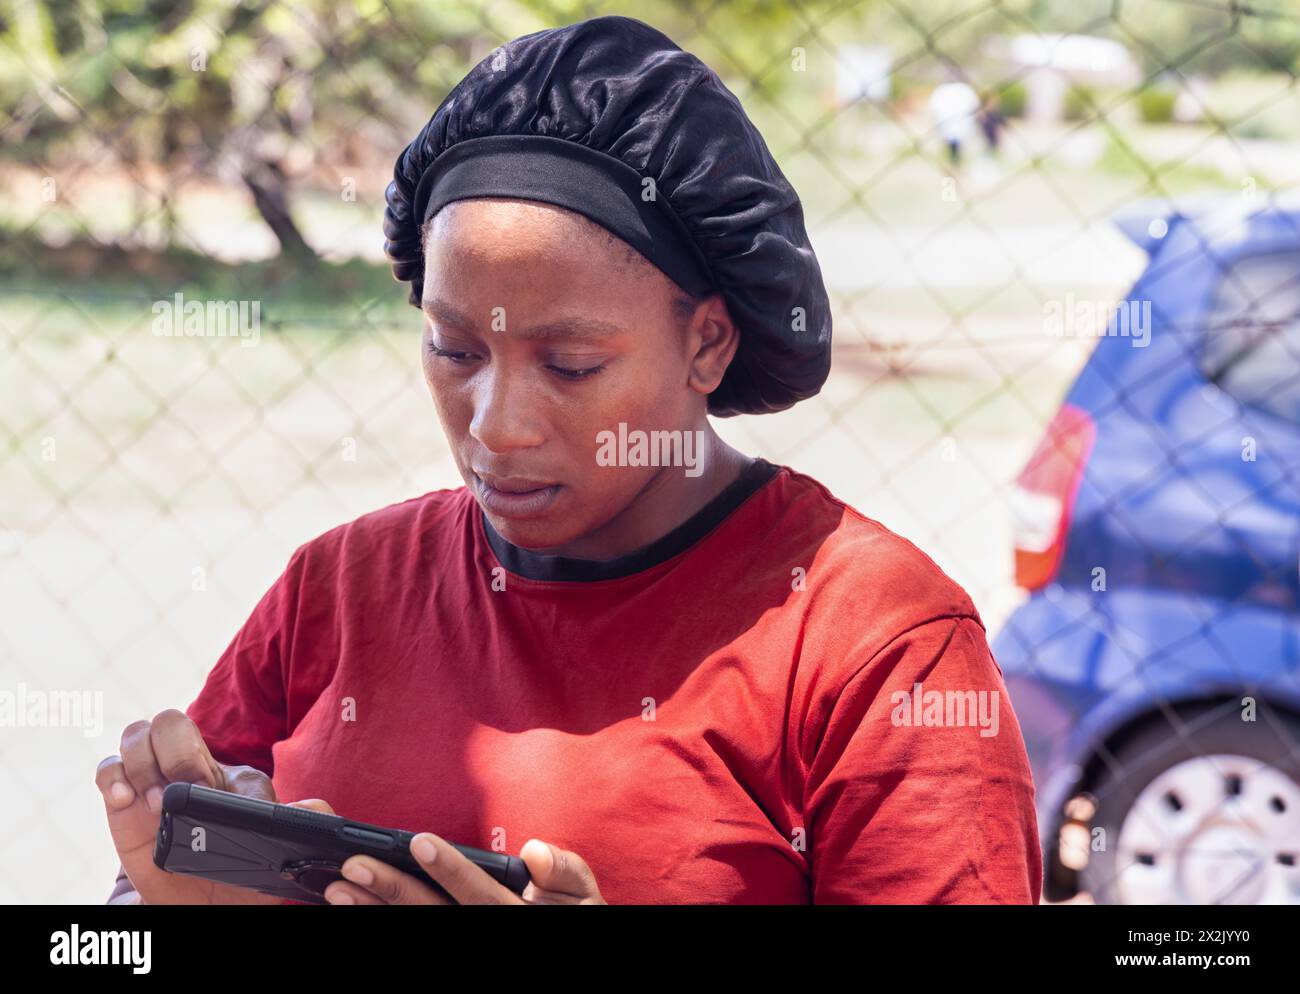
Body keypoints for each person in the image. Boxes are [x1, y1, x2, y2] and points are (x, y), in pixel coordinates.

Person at [96, 15, 1042, 905]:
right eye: (455, 349)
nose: (496, 426)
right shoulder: (340, 588)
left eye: (572, 363)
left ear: (708, 345)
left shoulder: (879, 648)